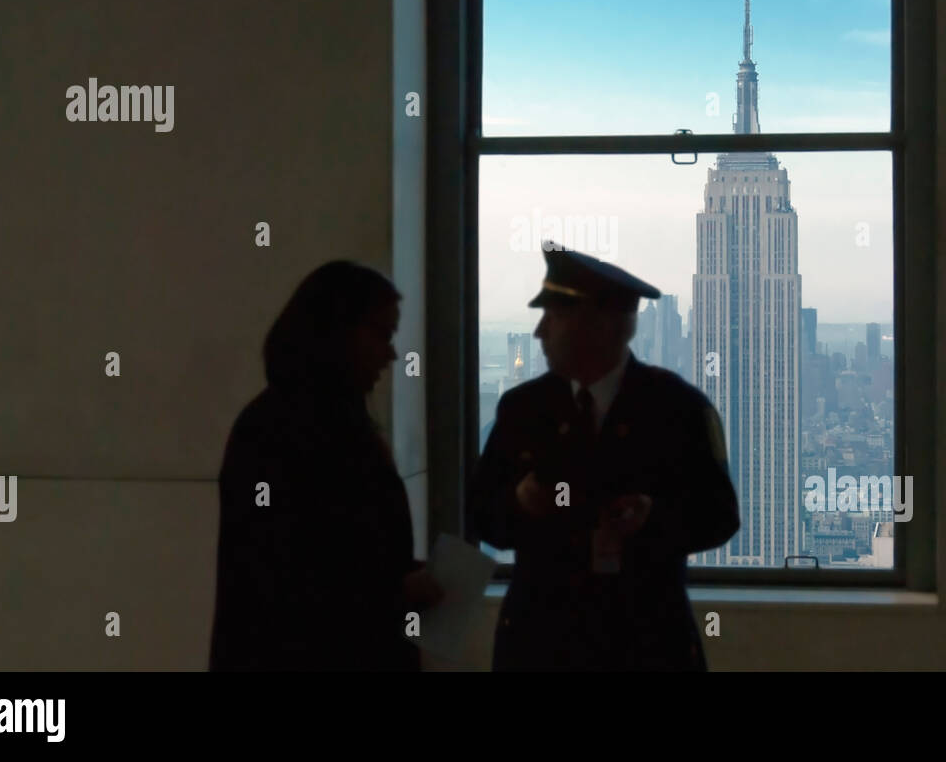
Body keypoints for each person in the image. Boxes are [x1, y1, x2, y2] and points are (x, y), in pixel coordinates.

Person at [470, 243, 740, 671]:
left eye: (553, 316)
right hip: (540, 645)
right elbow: (480, 516)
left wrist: (652, 516)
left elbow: (720, 517)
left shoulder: (676, 409)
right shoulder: (523, 409)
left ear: (602, 325)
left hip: (644, 644)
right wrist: (520, 502)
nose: (539, 332)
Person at [209, 260, 442, 671]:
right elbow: (287, 581)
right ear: (337, 332)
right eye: (382, 334)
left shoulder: (294, 424)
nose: (391, 354)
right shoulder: (283, 434)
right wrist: (400, 590)